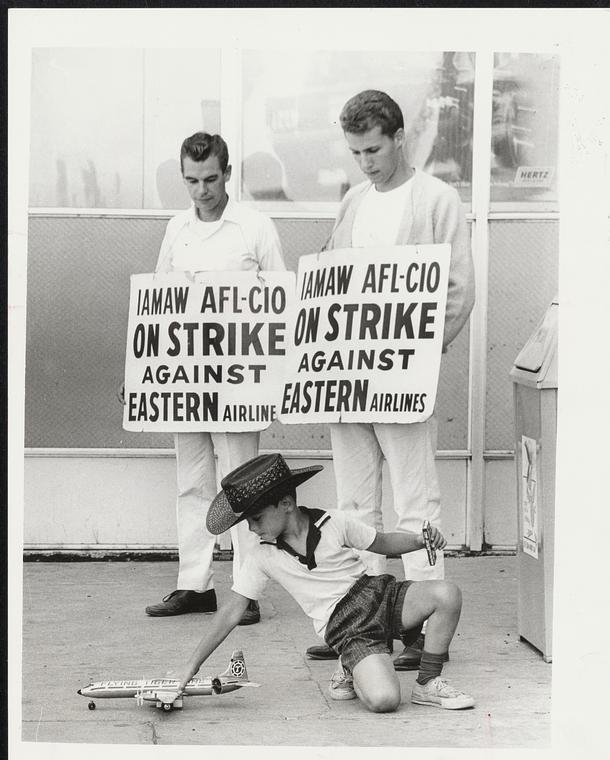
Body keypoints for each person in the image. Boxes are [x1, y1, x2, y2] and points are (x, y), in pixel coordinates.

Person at [305, 89, 475, 668]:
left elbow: (455, 288)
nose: (366, 162)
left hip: (402, 378)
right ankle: (363, 626)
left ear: (400, 138)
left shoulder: (437, 199)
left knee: (415, 502)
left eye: (374, 149)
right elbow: (332, 270)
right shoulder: (353, 199)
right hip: (348, 380)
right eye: (356, 152)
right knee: (355, 505)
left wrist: (422, 356)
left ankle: (424, 624)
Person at [119, 132, 286, 622]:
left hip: (239, 377)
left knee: (243, 484)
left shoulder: (255, 227)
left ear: (228, 173)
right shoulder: (177, 229)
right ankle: (194, 584)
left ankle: (246, 591)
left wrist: (277, 377)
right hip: (186, 378)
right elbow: (158, 305)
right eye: (191, 181)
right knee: (192, 482)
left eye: (210, 179)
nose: (202, 191)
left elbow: (281, 301)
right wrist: (142, 372)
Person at [174, 453, 475, 713]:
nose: (251, 528)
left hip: (379, 595)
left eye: (256, 518)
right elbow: (231, 612)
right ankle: (349, 664)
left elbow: (382, 542)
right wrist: (191, 666)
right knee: (385, 699)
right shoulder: (260, 556)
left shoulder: (333, 521)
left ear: (286, 503)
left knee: (447, 594)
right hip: (347, 628)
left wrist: (419, 540)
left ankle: (427, 683)